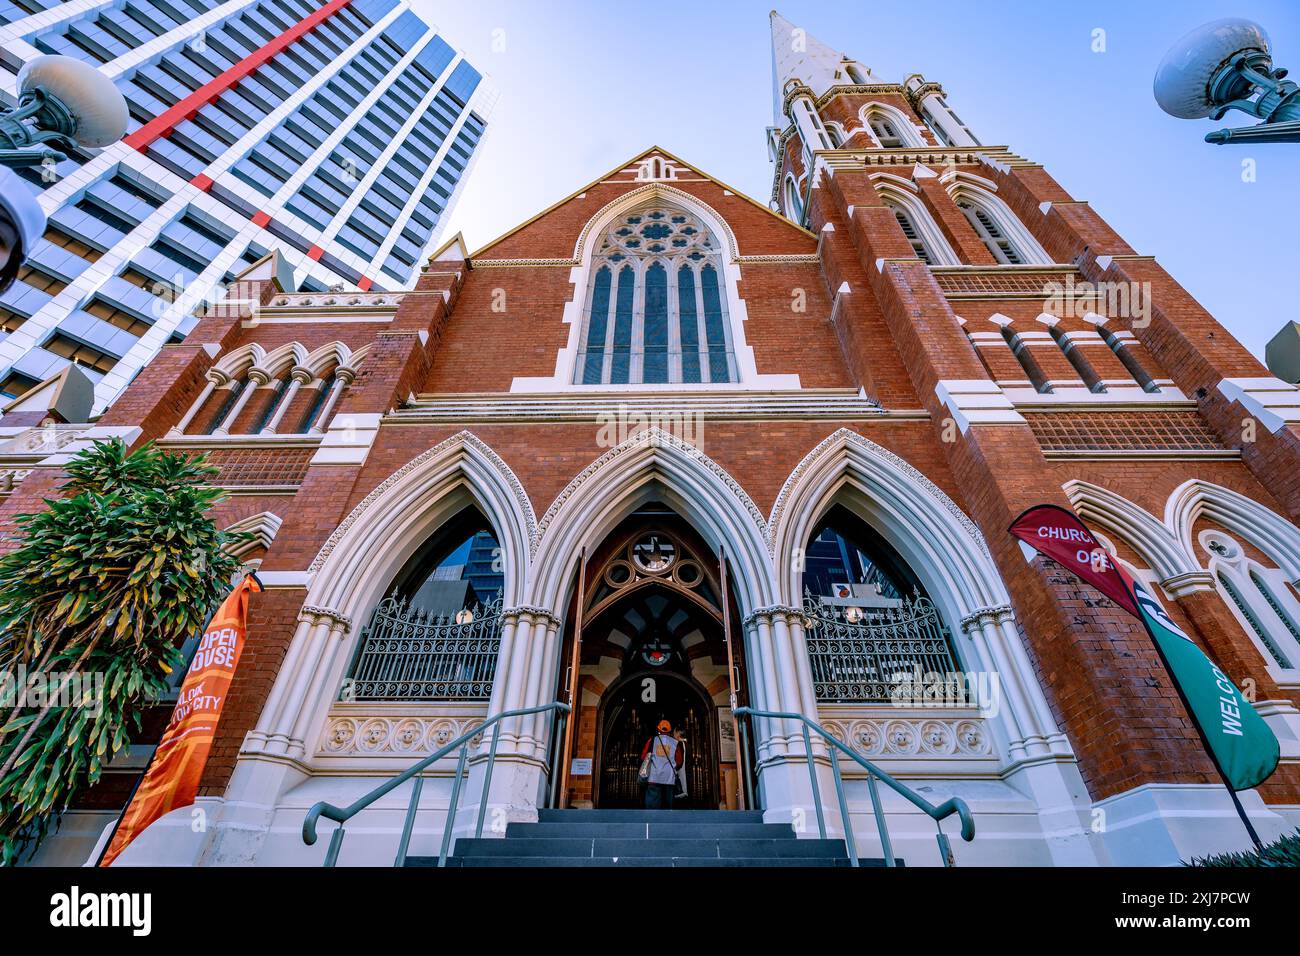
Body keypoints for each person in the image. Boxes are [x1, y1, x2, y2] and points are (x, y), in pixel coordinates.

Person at [641, 719, 683, 809]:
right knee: (668, 805)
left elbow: (644, 757)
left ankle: (652, 821)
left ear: (658, 729)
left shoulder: (652, 741)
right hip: (669, 778)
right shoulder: (675, 743)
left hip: (654, 777)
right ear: (670, 730)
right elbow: (679, 761)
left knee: (652, 804)